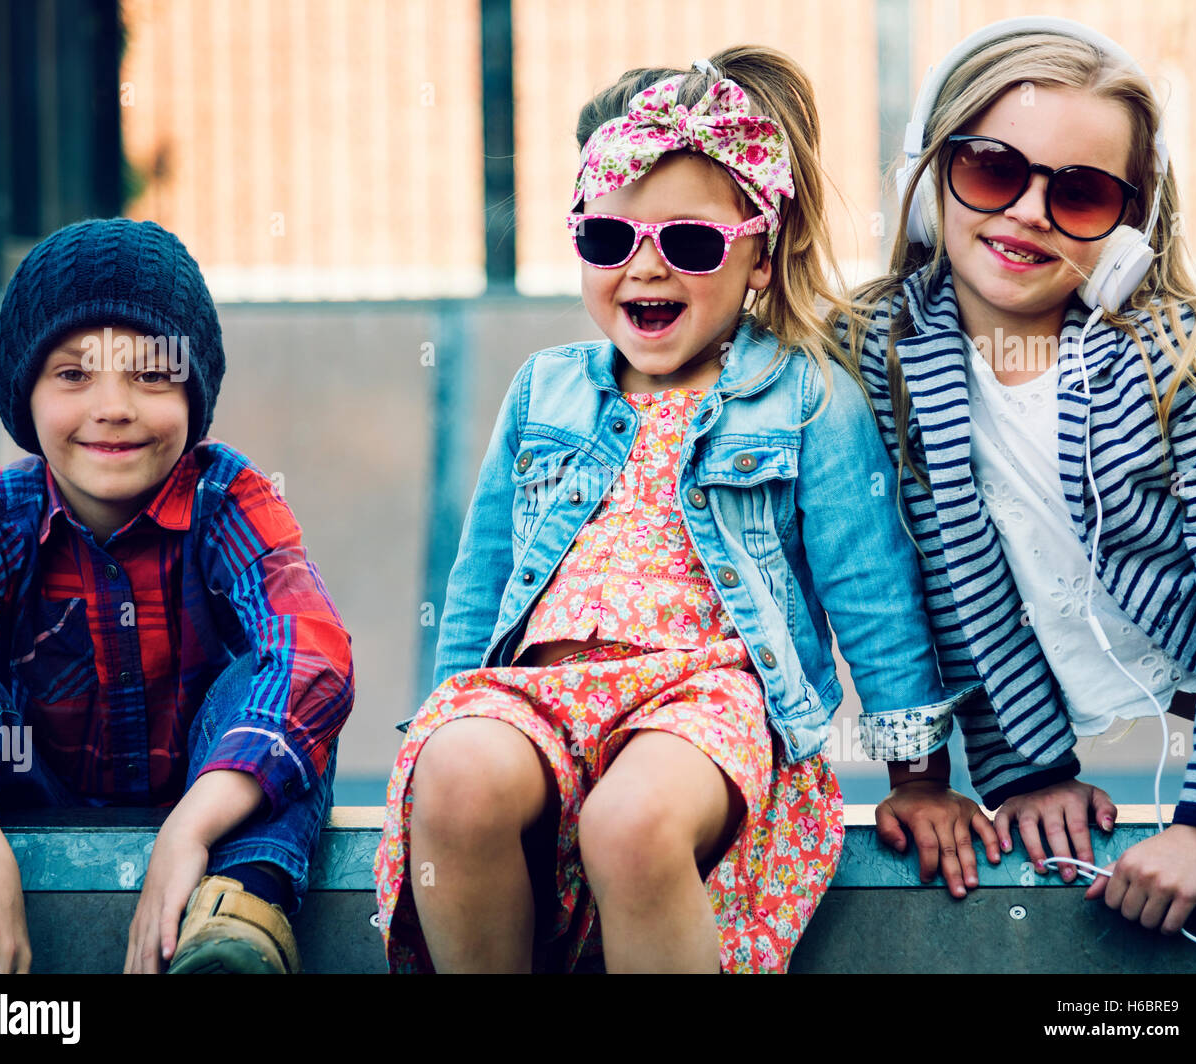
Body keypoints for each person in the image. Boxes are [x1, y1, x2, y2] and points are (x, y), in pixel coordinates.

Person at [373, 46, 968, 974]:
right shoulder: (544, 392)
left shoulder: (804, 397)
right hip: (539, 697)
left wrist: (919, 778)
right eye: (610, 238)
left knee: (633, 821)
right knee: (453, 778)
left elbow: (874, 595)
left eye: (690, 244)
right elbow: (481, 582)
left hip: (707, 699)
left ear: (760, 256)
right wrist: (447, 712)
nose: (644, 268)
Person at [847, 16, 1196, 936]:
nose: (1027, 212)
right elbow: (936, 585)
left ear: (1131, 226)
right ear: (926, 178)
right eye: (991, 170)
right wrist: (1027, 773)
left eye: (1082, 194)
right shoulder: (876, 359)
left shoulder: (1177, 360)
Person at [0, 218, 355, 973]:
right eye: (73, 374)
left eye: (152, 374)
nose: (114, 406)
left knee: (285, 701)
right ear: (24, 395)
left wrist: (191, 826)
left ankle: (238, 916)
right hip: (19, 807)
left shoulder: (229, 497)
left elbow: (313, 653)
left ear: (194, 393)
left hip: (209, 811)